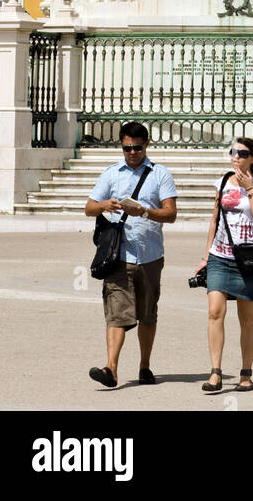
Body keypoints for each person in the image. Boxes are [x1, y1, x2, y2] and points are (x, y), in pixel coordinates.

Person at [85, 122, 177, 388]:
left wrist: (145, 212)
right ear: (121, 146)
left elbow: (170, 214)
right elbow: (89, 208)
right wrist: (105, 204)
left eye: (137, 147)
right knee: (117, 312)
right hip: (119, 256)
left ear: (146, 145)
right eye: (127, 148)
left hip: (150, 256)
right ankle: (111, 369)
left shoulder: (160, 174)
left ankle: (145, 366)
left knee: (147, 314)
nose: (132, 153)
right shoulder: (112, 174)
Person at [193, 136, 253, 393]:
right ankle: (215, 372)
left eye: (242, 152)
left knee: (247, 319)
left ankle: (246, 372)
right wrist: (206, 257)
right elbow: (215, 220)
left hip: (247, 260)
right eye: (233, 151)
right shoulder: (223, 182)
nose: (236, 156)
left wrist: (250, 189)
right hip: (220, 256)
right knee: (215, 311)